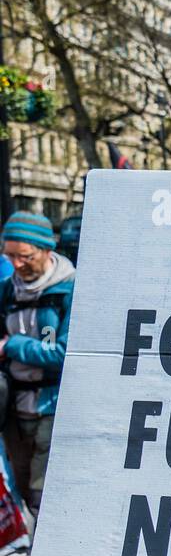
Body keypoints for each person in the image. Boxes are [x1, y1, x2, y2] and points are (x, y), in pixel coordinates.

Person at [0, 210, 75, 535]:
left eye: (24, 256)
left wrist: (12, 346)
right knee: (23, 487)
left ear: (46, 249)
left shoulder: (71, 291)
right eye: (9, 256)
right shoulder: (6, 291)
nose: (16, 264)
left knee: (45, 492)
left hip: (53, 406)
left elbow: (66, 354)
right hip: (14, 408)